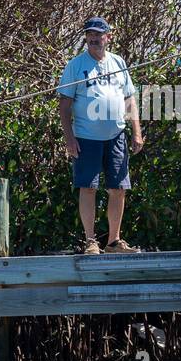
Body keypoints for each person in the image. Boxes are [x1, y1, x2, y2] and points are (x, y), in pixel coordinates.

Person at [57, 16, 144, 254]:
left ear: (108, 37)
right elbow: (65, 104)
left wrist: (136, 131)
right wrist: (69, 138)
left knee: (118, 188)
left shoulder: (118, 62)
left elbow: (129, 98)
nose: (93, 38)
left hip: (116, 136)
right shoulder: (75, 65)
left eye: (98, 34)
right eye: (89, 35)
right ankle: (90, 241)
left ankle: (114, 241)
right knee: (88, 187)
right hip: (86, 136)